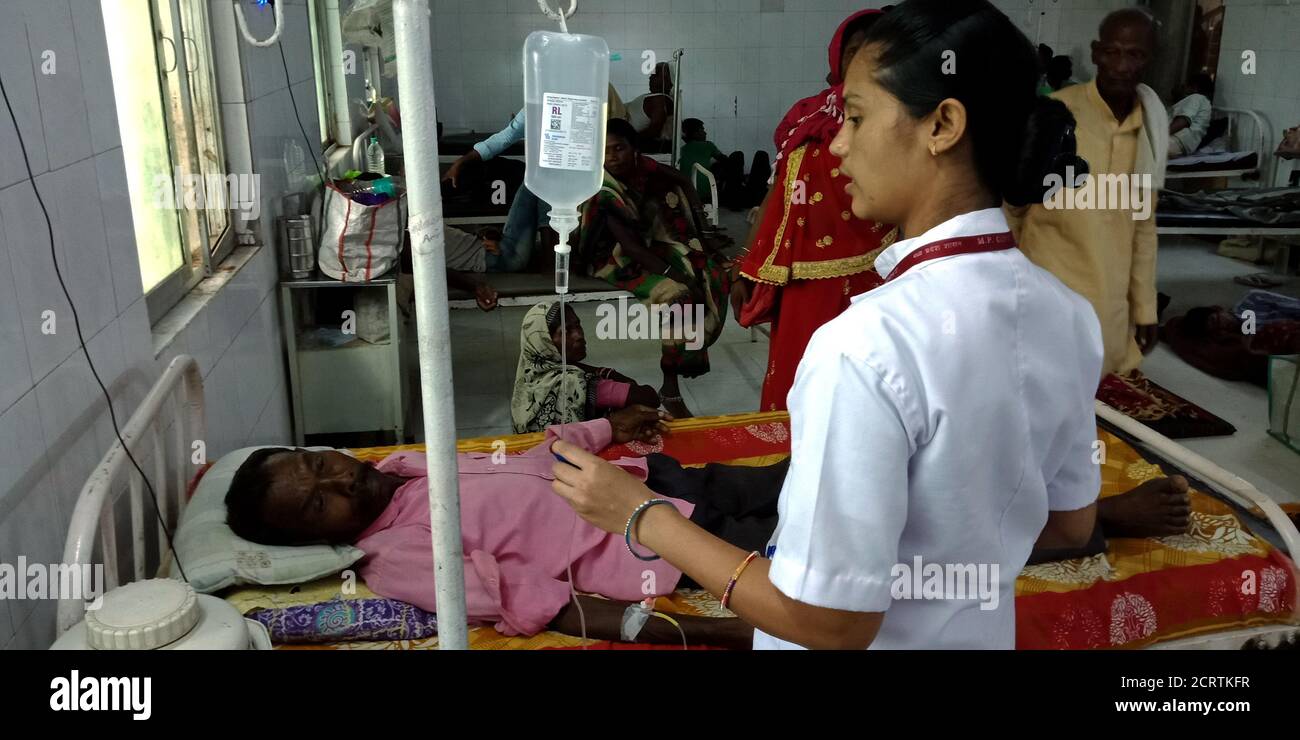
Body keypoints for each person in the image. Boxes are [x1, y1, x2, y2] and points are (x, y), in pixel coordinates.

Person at [549, 0, 1111, 650]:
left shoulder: (867, 345)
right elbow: (1070, 524)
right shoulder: (1068, 316)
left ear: (943, 125)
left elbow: (828, 622)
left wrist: (640, 515)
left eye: (859, 116)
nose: (838, 143)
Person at [224, 407, 760, 648]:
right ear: (314, 541)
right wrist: (712, 632)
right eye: (318, 507)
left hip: (649, 478)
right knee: (816, 536)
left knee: (812, 476)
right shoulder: (395, 556)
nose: (338, 482)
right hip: (657, 542)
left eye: (320, 466)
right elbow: (533, 602)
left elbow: (524, 464)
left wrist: (603, 428)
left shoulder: (401, 467)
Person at [732, 8, 895, 412]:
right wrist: (745, 264)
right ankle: (786, 466)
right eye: (852, 50)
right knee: (797, 376)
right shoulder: (806, 115)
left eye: (873, 51)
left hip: (874, 275)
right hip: (800, 279)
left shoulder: (898, 117)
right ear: (836, 57)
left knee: (858, 387)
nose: (860, 60)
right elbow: (777, 192)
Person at [1009, 8, 1167, 376]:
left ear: (1148, 59)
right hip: (1048, 289)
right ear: (1096, 52)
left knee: (1102, 402)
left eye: (1135, 54)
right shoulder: (1056, 113)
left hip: (1110, 301)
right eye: (1113, 52)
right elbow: (1013, 208)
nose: (1122, 65)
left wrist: (1144, 308)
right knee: (1041, 390)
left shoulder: (1150, 128)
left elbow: (1143, 228)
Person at [577, 117, 731, 419]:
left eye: (619, 148)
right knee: (680, 297)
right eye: (605, 151)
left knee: (710, 269)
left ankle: (686, 361)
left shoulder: (643, 167)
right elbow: (630, 249)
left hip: (646, 244)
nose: (612, 157)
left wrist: (702, 226)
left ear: (634, 149)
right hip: (612, 258)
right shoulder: (602, 190)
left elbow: (679, 178)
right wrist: (677, 275)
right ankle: (670, 389)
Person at [440, 85, 629, 272]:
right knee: (541, 176)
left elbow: (618, 137)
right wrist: (462, 161)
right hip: (554, 185)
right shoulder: (538, 104)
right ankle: (549, 260)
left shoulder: (595, 88)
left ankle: (553, 261)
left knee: (545, 177)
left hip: (592, 179)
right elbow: (504, 138)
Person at [511, 301, 661, 433]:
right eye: (565, 332)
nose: (578, 335)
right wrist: (607, 373)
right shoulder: (577, 382)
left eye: (578, 325)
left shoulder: (528, 374)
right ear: (545, 342)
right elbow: (649, 397)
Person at [627, 63, 675, 154]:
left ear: (670, 80)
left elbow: (655, 130)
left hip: (646, 149)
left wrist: (628, 140)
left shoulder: (660, 100)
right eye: (651, 75)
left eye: (655, 75)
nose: (650, 78)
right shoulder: (655, 97)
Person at [677, 118, 728, 202]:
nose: (705, 133)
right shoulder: (708, 146)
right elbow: (725, 160)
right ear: (695, 133)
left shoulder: (681, 150)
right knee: (735, 157)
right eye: (702, 130)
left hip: (687, 194)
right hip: (706, 196)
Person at [1168, 73, 1214, 158]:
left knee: (1141, 147)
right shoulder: (1203, 102)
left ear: (1194, 87)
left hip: (1176, 141)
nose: (1183, 88)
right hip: (1181, 144)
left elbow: (1183, 121)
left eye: (1185, 86)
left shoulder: (1197, 98)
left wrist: (1160, 135)